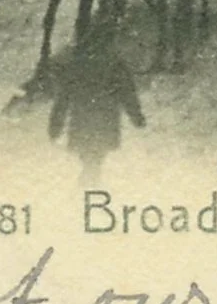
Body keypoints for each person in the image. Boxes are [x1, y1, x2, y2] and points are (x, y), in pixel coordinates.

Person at [49, 21, 145, 184]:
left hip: (82, 116)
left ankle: (88, 177)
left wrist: (56, 124)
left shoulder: (78, 62)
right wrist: (136, 117)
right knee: (97, 152)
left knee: (87, 152)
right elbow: (127, 93)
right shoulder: (115, 63)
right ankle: (91, 177)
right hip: (105, 116)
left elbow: (64, 96)